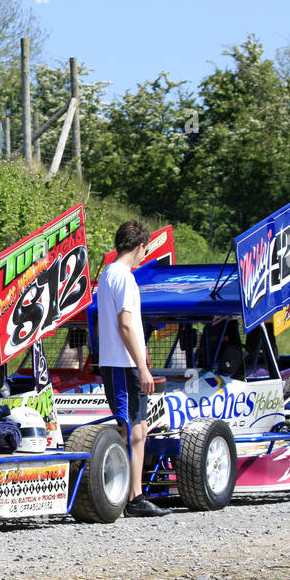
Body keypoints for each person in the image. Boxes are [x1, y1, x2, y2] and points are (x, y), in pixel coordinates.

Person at [98, 220, 169, 517]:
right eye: (145, 250)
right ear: (139, 246)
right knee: (128, 429)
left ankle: (135, 495)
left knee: (139, 430)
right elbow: (125, 324)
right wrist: (143, 367)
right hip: (121, 363)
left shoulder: (107, 275)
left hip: (121, 361)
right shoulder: (123, 277)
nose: (145, 256)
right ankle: (125, 494)